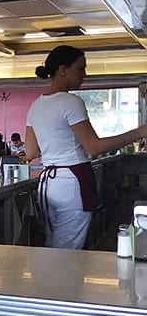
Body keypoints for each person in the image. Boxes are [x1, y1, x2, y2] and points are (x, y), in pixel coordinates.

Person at [25, 45, 147, 249]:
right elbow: (94, 146)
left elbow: (31, 152)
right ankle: (62, 281)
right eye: (80, 68)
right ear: (62, 70)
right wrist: (140, 132)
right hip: (73, 182)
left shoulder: (36, 105)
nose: (85, 74)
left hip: (48, 183)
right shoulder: (70, 102)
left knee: (52, 243)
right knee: (68, 248)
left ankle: (49, 280)